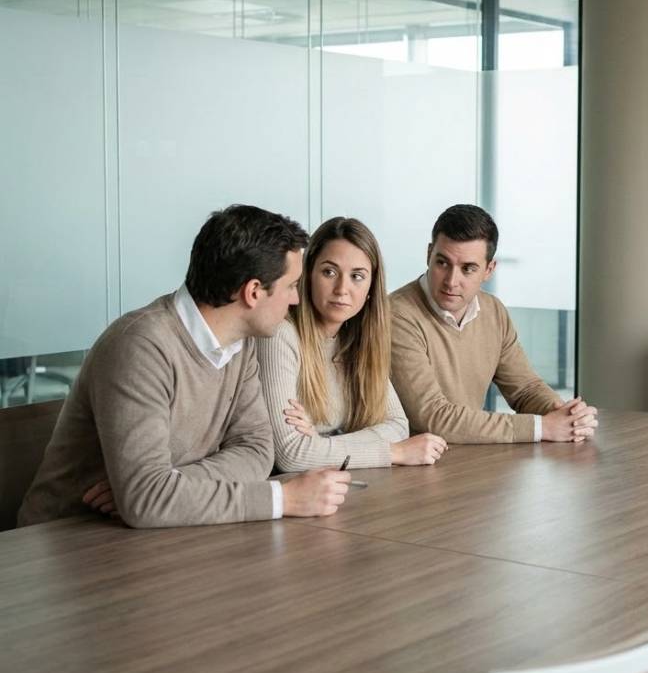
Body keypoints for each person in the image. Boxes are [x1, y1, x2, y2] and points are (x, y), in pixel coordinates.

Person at [18, 205, 351, 528]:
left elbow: (257, 452)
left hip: (162, 530)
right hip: (67, 542)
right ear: (252, 292)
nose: (296, 299)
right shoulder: (139, 346)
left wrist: (171, 485)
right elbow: (146, 502)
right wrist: (284, 499)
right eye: (291, 286)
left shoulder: (241, 343)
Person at [390, 204, 598, 444]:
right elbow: (433, 417)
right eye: (442, 263)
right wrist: (544, 427)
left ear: (489, 269)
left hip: (471, 458)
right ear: (429, 255)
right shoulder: (396, 315)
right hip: (408, 469)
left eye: (468, 268)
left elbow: (525, 389)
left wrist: (565, 415)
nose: (451, 281)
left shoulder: (493, 311)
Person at [256, 217, 447, 470]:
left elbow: (398, 426)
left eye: (357, 276)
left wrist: (320, 442)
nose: (341, 288)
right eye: (329, 272)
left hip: (338, 486)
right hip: (290, 493)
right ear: (308, 274)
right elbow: (292, 455)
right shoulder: (281, 334)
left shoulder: (359, 341)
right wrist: (392, 453)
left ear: (370, 288)